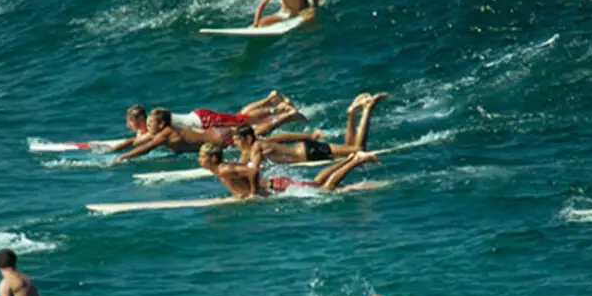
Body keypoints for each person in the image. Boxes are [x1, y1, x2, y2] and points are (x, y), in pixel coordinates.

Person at [109, 92, 302, 151]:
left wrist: (117, 150)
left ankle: (278, 110)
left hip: (204, 121)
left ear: (140, 119)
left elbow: (138, 143)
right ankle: (272, 103)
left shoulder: (155, 126)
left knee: (242, 121)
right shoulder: (152, 121)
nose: (128, 126)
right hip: (200, 119)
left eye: (130, 122)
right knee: (241, 118)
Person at [234, 92, 387, 165]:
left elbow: (248, 168)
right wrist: (308, 136)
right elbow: (282, 137)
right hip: (304, 148)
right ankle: (351, 115)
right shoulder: (260, 142)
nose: (235, 143)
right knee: (351, 149)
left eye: (237, 140)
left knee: (359, 150)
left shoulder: (253, 148)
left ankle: (367, 110)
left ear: (247, 138)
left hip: (308, 154)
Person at [111, 106, 297, 164]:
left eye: (151, 123)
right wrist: (117, 147)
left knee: (259, 137)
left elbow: (146, 148)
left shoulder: (165, 133)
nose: (148, 126)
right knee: (257, 136)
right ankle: (282, 118)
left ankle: (283, 118)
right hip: (216, 134)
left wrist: (123, 158)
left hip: (220, 138)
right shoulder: (163, 132)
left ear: (160, 124)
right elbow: (138, 141)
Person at [198, 142, 380, 199]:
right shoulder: (223, 169)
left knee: (326, 189)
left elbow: (252, 172)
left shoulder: (224, 170)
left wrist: (253, 193)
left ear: (213, 158)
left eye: (202, 157)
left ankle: (356, 160)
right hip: (276, 184)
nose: (199, 160)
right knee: (318, 182)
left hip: (277, 186)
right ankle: (351, 159)